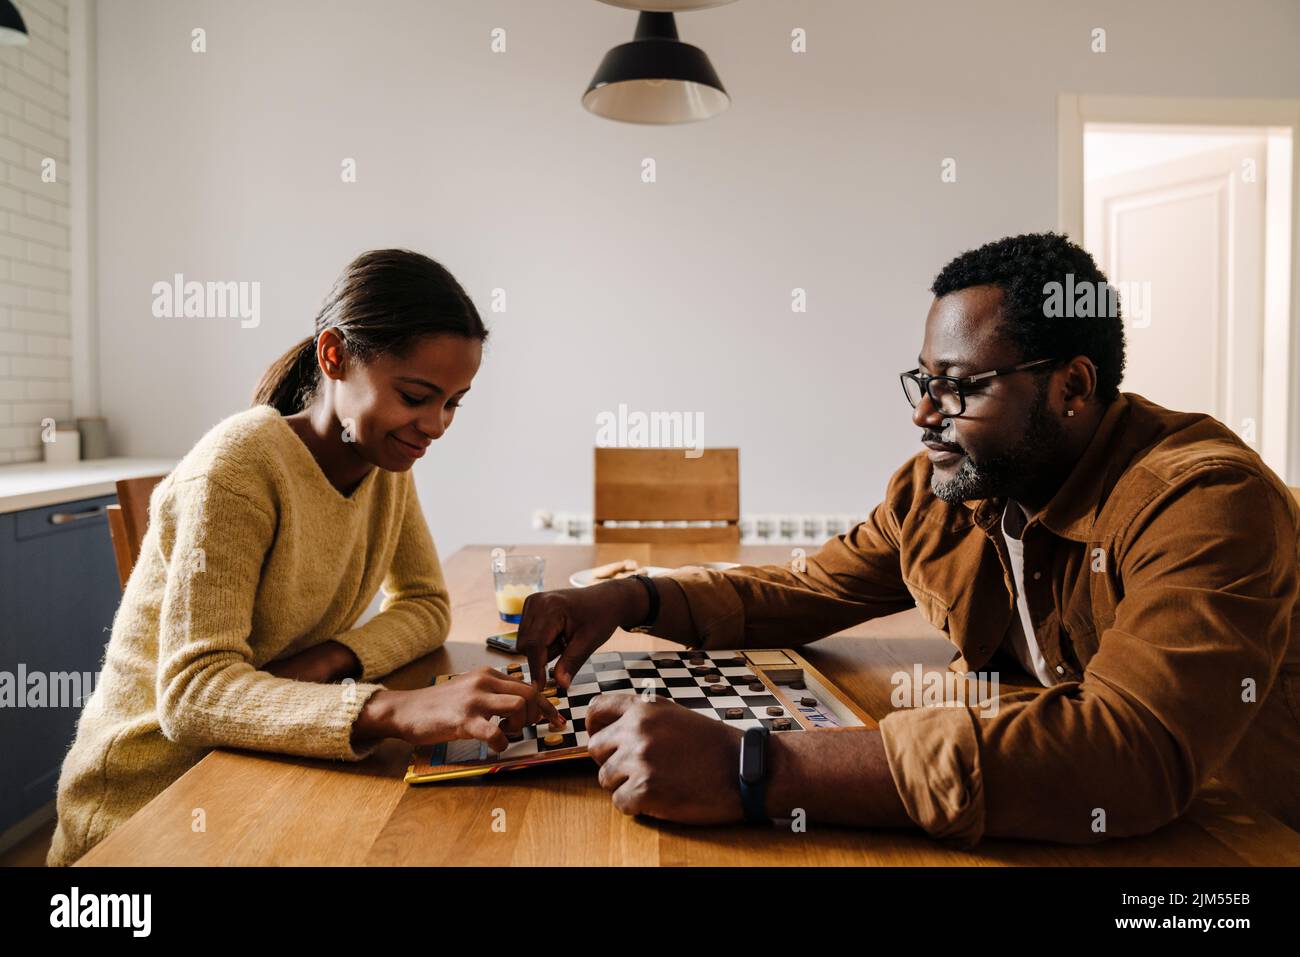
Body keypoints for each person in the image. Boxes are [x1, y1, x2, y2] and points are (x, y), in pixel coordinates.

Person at [516, 232, 1300, 847]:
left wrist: (752, 763)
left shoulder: (1204, 500)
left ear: (1073, 387)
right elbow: (804, 587)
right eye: (925, 381)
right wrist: (626, 596)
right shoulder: (945, 487)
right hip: (1049, 823)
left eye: (961, 386)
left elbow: (1130, 754)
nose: (927, 414)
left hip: (1229, 848)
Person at [48, 249, 559, 866]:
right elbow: (192, 697)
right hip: (156, 795)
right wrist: (388, 706)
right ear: (334, 355)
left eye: (453, 402)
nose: (437, 425)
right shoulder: (236, 468)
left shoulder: (384, 461)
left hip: (269, 754)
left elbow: (426, 605)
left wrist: (328, 661)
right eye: (417, 395)